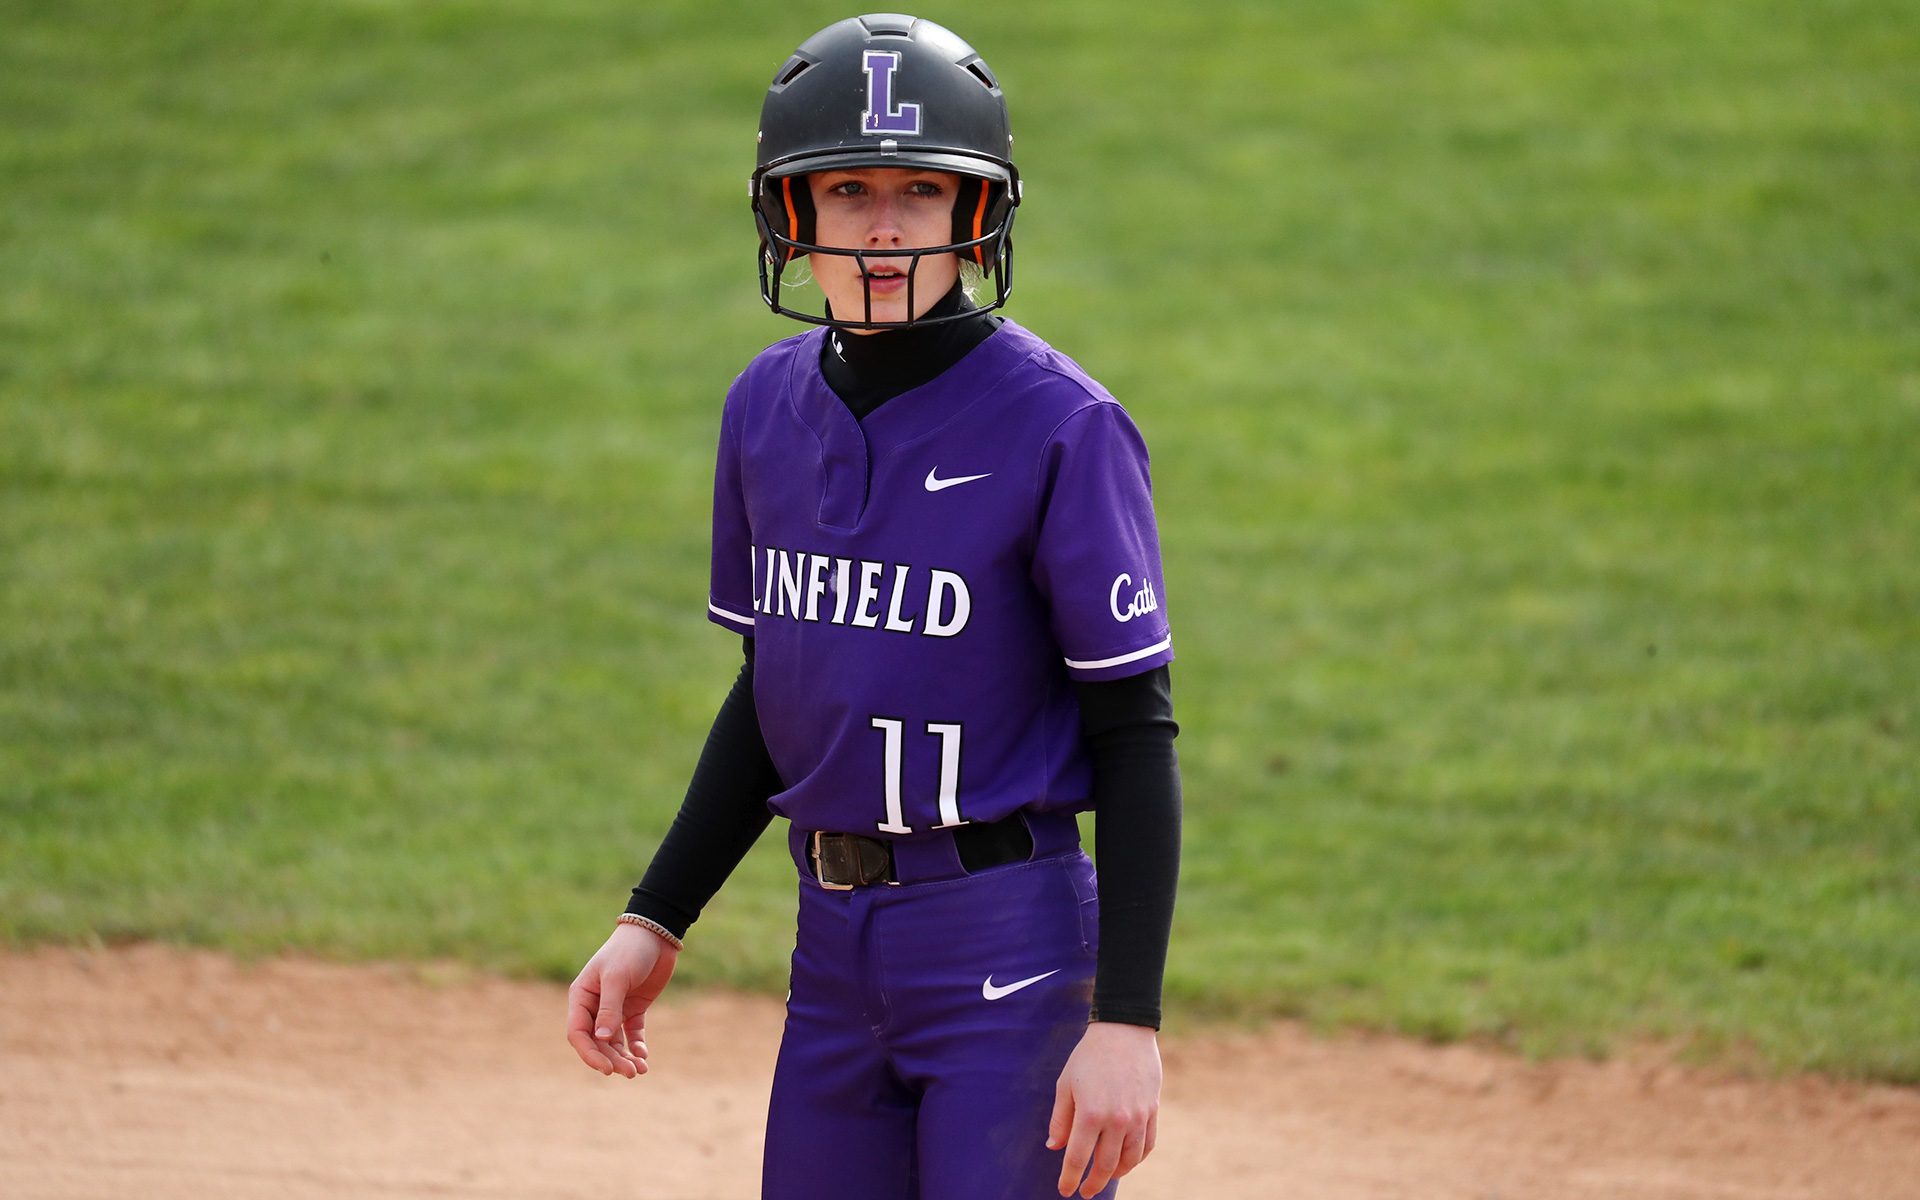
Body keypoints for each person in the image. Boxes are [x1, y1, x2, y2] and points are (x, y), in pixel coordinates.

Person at [566, 15, 1182, 1200]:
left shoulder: (1063, 427)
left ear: (976, 212)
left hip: (1011, 948)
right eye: (847, 190)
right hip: (832, 951)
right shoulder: (762, 408)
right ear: (790, 214)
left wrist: (1129, 1022)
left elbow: (1134, 731)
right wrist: (658, 915)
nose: (887, 225)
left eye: (921, 190)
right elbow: (777, 691)